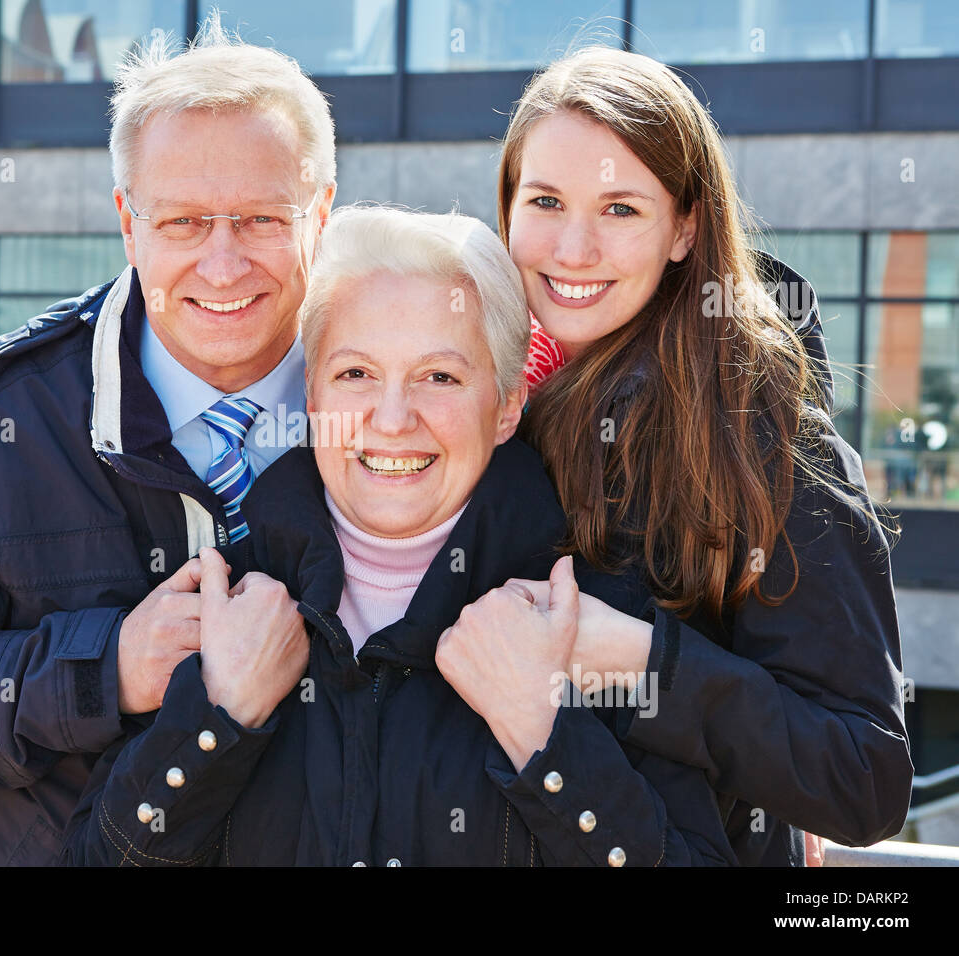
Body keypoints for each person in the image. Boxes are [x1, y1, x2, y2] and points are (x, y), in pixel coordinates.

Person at [0, 19, 336, 865]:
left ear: (323, 211)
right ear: (128, 220)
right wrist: (102, 671)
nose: (224, 266)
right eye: (185, 222)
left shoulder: (402, 409)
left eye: (263, 219)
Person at [60, 205, 737, 866]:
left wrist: (545, 737)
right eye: (356, 374)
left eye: (438, 377)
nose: (391, 419)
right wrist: (218, 718)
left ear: (506, 407)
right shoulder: (220, 610)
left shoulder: (600, 620)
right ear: (314, 400)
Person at [493, 47, 912, 865]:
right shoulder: (483, 396)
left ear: (685, 227)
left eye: (620, 210)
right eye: (545, 200)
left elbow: (864, 779)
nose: (573, 249)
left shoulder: (764, 431)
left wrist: (646, 665)